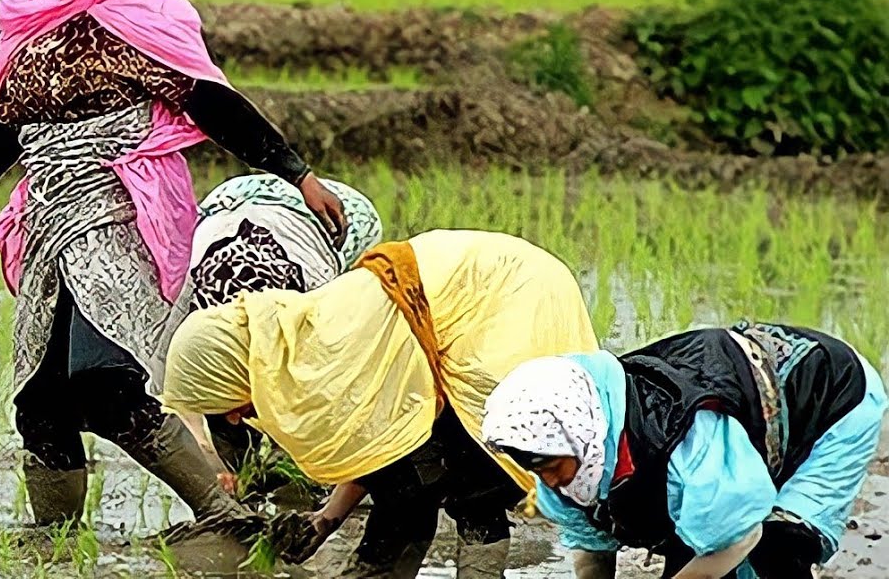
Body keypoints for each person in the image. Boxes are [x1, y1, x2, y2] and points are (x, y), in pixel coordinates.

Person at [0, 0, 349, 532]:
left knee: (103, 382)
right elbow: (3, 131)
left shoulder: (140, 22)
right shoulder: (29, 25)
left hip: (120, 218)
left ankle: (225, 514)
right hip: (49, 223)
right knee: (40, 405)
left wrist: (297, 173)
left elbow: (212, 102)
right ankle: (55, 543)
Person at [162, 229, 601, 578]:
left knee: (471, 465)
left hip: (504, 302)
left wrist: (365, 555)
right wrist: (328, 519)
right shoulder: (290, 354)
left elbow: (395, 460)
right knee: (425, 472)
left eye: (224, 403)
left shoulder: (323, 357)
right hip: (472, 302)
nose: (236, 417)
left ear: (234, 369)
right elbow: (373, 449)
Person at [482, 321, 886, 579]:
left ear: (580, 435)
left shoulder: (682, 446)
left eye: (552, 466)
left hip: (831, 395)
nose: (551, 482)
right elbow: (591, 546)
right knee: (691, 540)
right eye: (538, 470)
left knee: (778, 549)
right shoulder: (564, 443)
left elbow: (737, 539)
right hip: (736, 418)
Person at [157, 173, 384, 485]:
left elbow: (340, 402)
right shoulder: (186, 315)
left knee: (300, 412)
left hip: (332, 218)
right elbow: (176, 397)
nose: (236, 417)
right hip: (228, 204)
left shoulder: (316, 312)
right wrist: (213, 465)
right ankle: (243, 473)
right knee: (225, 397)